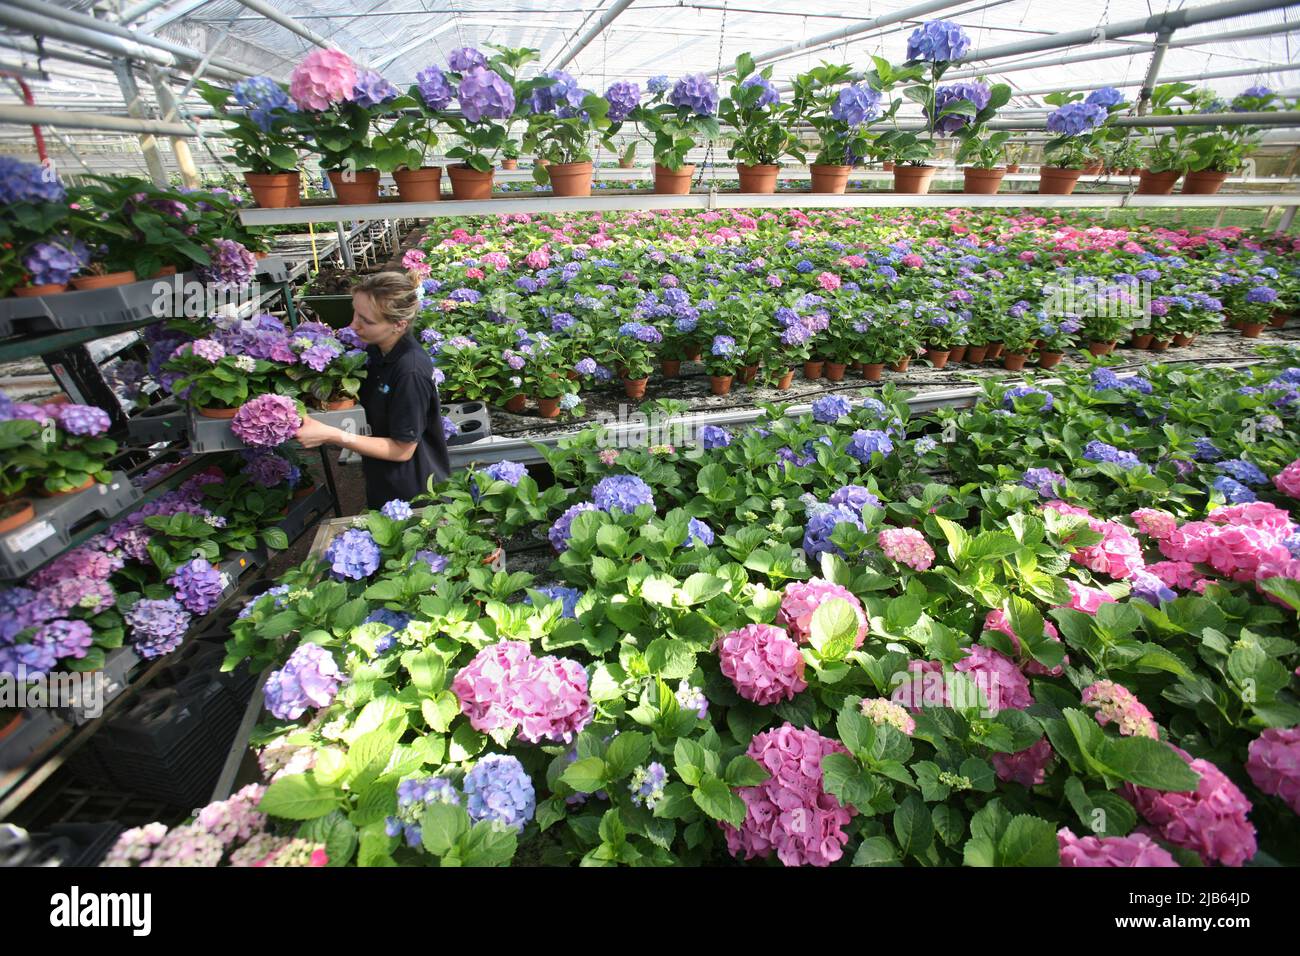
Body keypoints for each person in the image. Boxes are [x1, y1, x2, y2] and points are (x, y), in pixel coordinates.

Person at [295, 271, 450, 509]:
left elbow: (402, 450)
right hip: (383, 480)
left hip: (414, 496)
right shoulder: (377, 351)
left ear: (399, 325)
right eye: (355, 312)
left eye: (366, 320)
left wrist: (331, 434)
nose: (353, 325)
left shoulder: (410, 371)